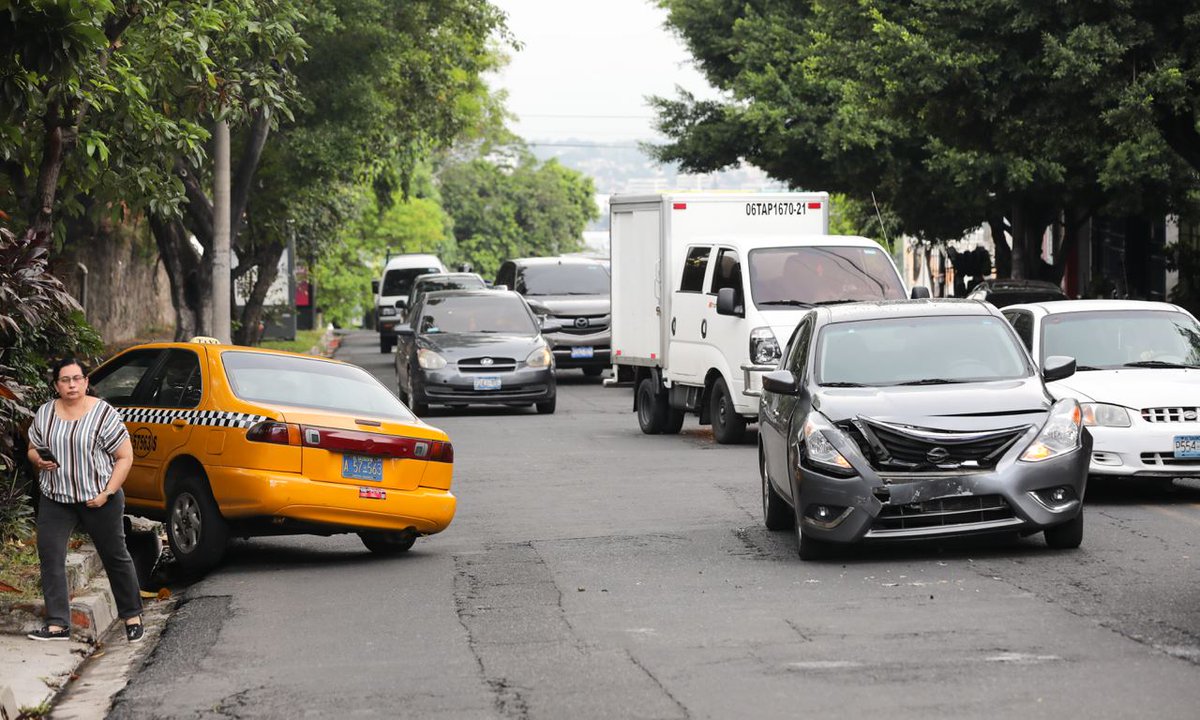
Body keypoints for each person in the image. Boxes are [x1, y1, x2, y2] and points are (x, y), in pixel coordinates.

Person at [25, 357, 144, 643]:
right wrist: (39, 461)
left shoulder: (103, 414)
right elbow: (32, 448)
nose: (72, 385)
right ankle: (57, 624)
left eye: (77, 378)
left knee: (115, 556)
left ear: (86, 382)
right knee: (50, 554)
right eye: (65, 380)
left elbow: (125, 457)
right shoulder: (45, 413)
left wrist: (107, 493)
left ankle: (132, 616)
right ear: (56, 385)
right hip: (57, 497)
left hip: (99, 497)